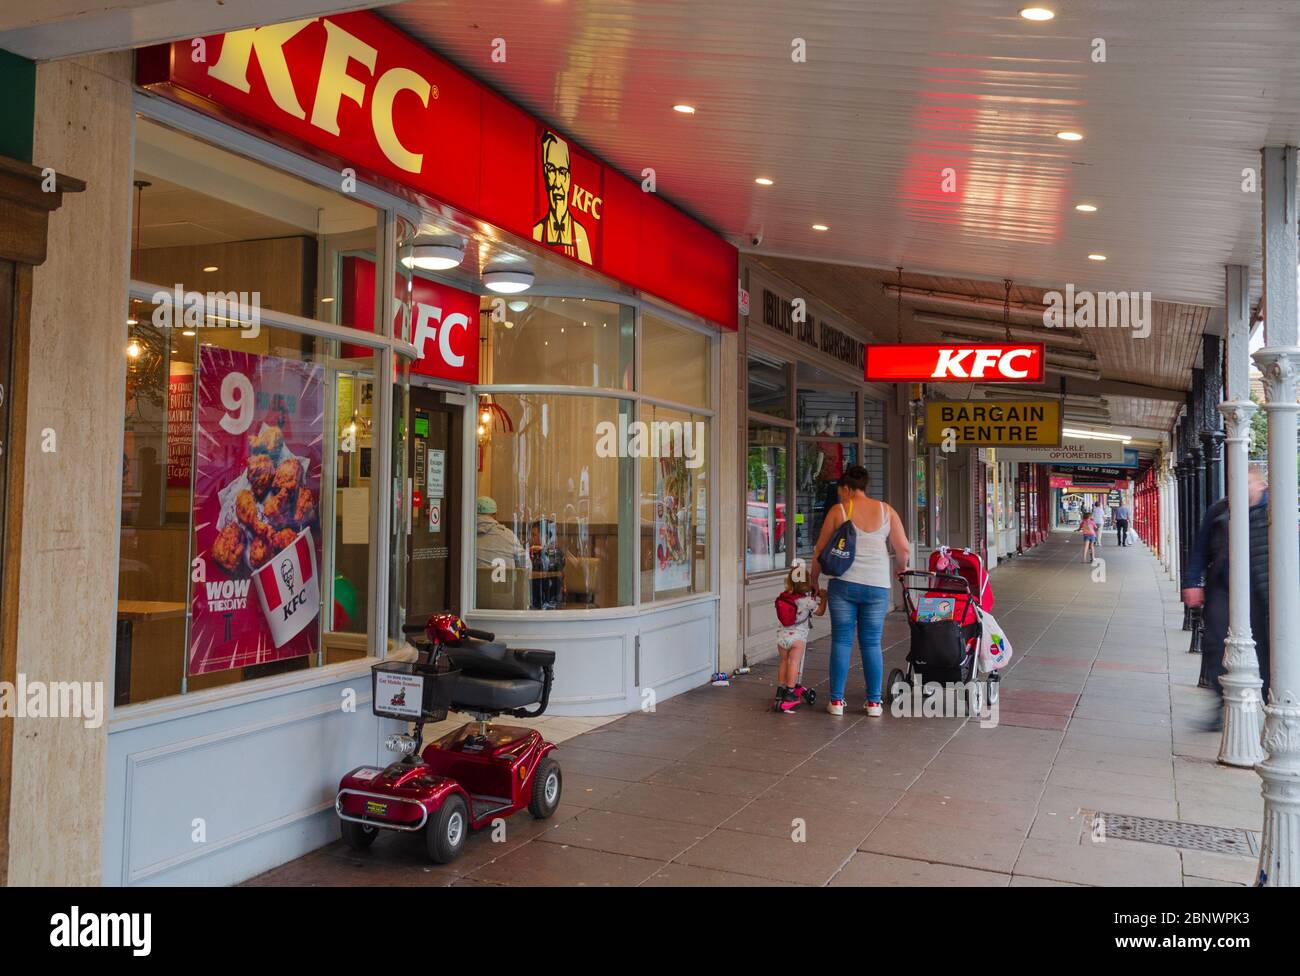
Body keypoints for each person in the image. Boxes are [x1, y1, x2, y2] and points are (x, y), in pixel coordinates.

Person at [810, 465, 910, 717]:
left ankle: (836, 701)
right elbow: (903, 549)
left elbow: (819, 551)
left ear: (846, 488)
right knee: (871, 643)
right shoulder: (886, 510)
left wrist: (813, 580)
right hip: (877, 586)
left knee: (842, 641)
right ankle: (874, 703)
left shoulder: (839, 510)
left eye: (841, 491)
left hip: (844, 584)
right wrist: (901, 569)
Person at [1181, 468, 1272, 730]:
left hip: (1261, 591)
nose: (1240, 491)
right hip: (1223, 587)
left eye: (1246, 484)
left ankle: (1270, 704)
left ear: (1260, 484)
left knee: (1266, 652)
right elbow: (1200, 547)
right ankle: (1222, 704)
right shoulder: (1220, 510)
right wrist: (1191, 582)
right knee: (1215, 646)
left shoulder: (1276, 509)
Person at [772, 570, 826, 713]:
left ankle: (781, 690)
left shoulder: (783, 597)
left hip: (782, 637)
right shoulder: (808, 602)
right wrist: (824, 598)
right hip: (797, 638)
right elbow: (820, 612)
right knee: (794, 663)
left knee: (784, 662)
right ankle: (790, 693)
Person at [474, 496, 530, 568]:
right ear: (495, 515)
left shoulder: (464, 536)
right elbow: (526, 564)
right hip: (504, 579)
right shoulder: (508, 536)